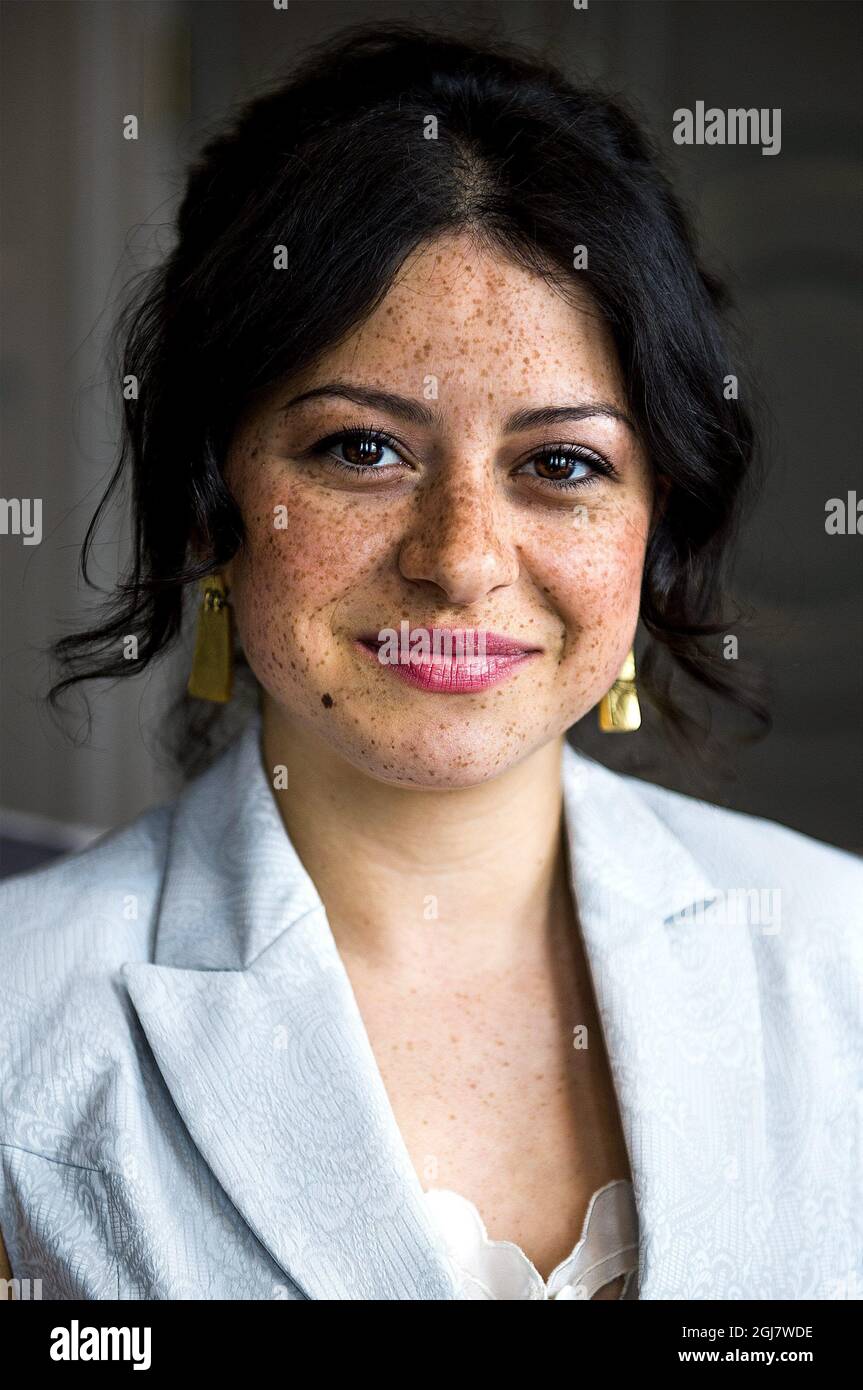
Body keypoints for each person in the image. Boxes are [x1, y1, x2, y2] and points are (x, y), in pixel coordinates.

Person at [1, 23, 860, 1302]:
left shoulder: (840, 952)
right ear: (206, 503)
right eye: (361, 449)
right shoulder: (21, 1020)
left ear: (655, 522)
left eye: (558, 463)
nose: (458, 559)